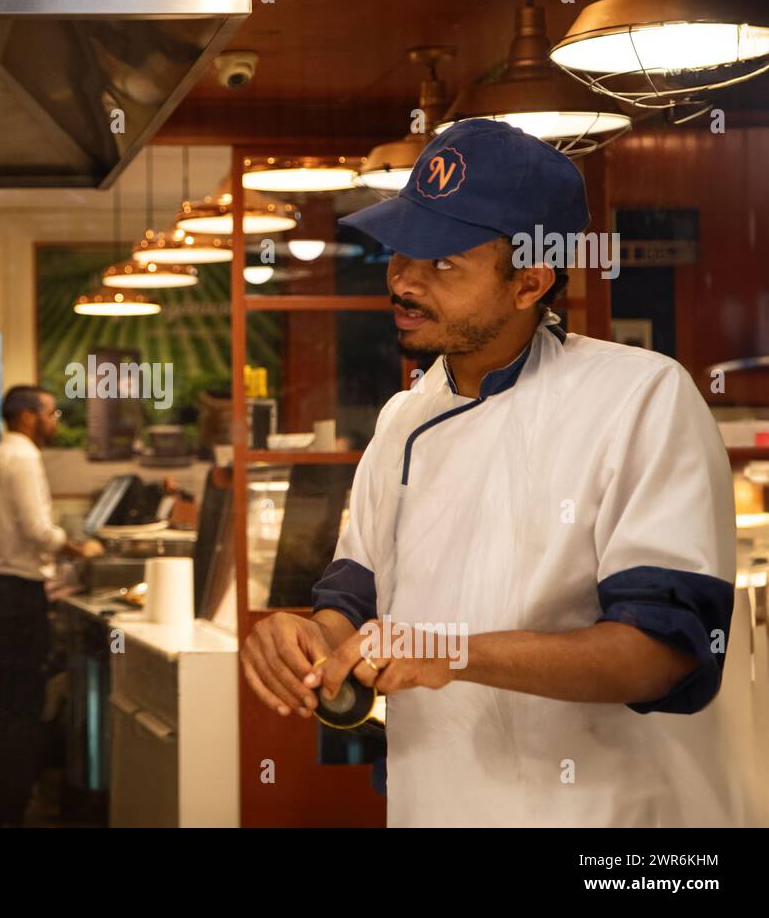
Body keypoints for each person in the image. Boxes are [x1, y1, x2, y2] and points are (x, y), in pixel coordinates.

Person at [243, 118, 752, 827]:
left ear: (530, 281)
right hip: (432, 806)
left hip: (604, 820)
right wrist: (306, 640)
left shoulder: (641, 397)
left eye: (443, 262)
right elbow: (354, 601)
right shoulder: (402, 418)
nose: (404, 280)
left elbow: (663, 656)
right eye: (401, 250)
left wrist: (451, 651)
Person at [0, 385, 101, 827]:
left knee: (8, 708)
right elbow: (38, 530)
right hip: (15, 595)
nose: (55, 420)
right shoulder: (23, 458)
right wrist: (81, 550)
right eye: (49, 412)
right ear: (25, 417)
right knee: (21, 711)